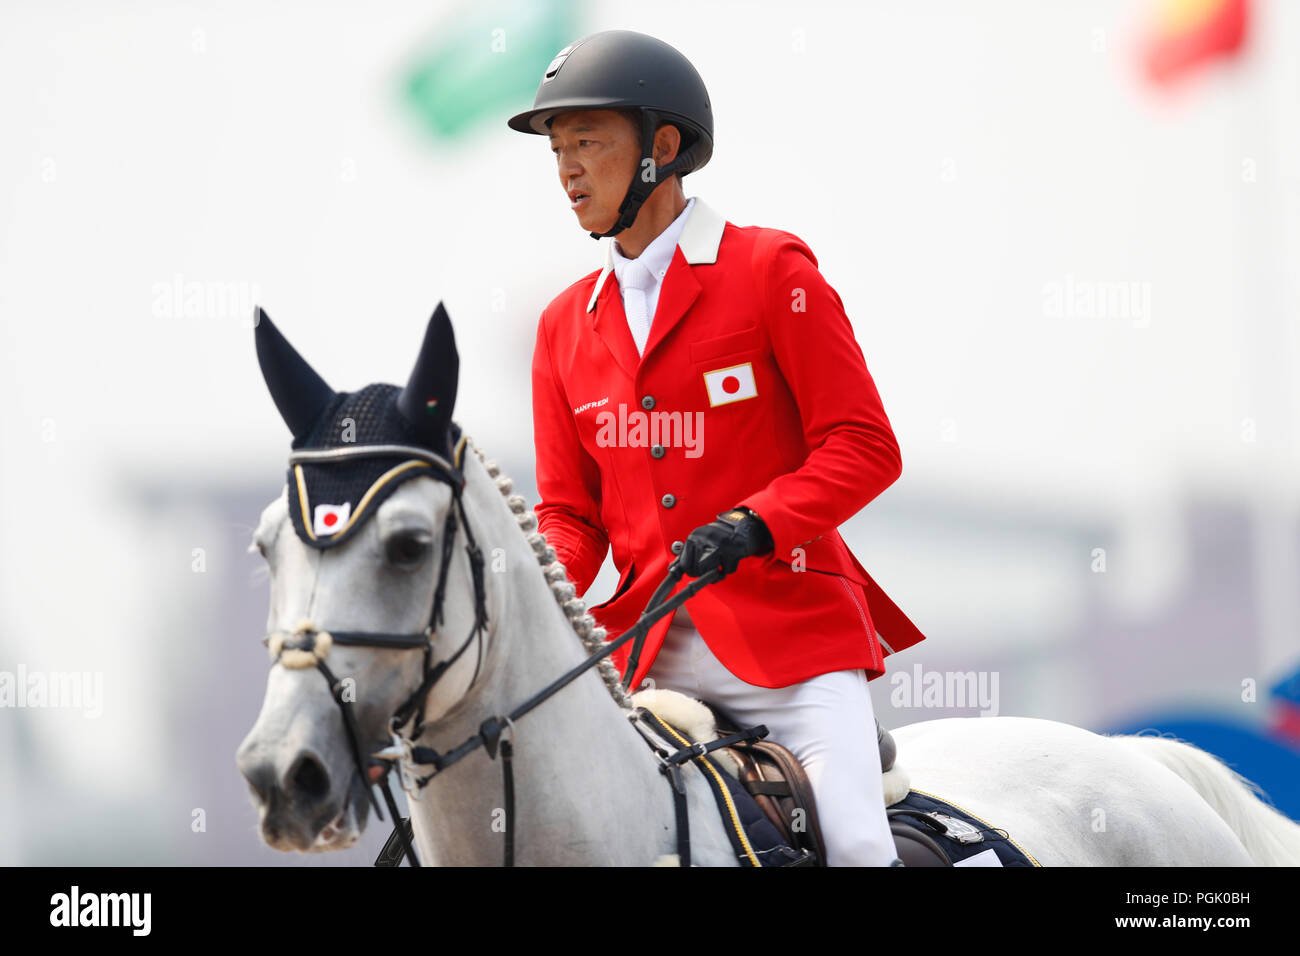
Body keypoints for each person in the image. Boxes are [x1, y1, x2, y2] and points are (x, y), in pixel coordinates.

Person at [508, 29, 928, 866]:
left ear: (663, 148)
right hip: (641, 653)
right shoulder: (562, 328)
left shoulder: (772, 271)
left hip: (792, 644)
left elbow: (865, 445)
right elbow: (571, 515)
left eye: (588, 142)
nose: (568, 170)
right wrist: (530, 585)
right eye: (558, 150)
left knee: (852, 845)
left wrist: (756, 525)